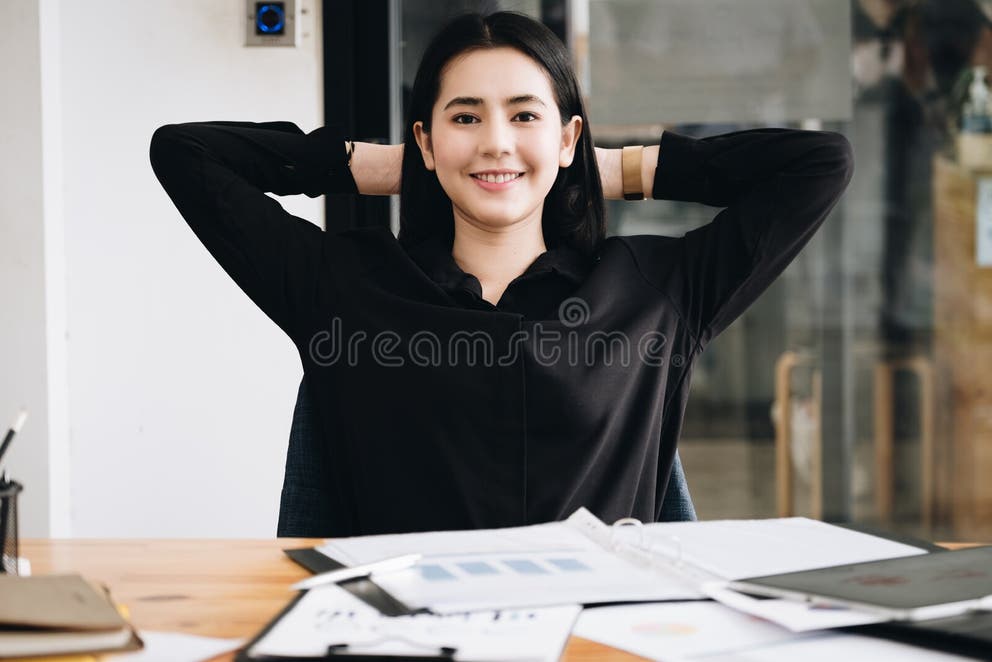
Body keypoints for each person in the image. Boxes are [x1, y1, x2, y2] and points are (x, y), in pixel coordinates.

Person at [149, 11, 853, 537]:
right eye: (464, 118)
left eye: (525, 116)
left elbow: (820, 165)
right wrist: (389, 167)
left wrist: (596, 170)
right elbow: (185, 156)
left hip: (595, 638)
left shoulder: (652, 291)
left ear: (568, 133)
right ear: (424, 137)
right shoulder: (344, 285)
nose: (495, 141)